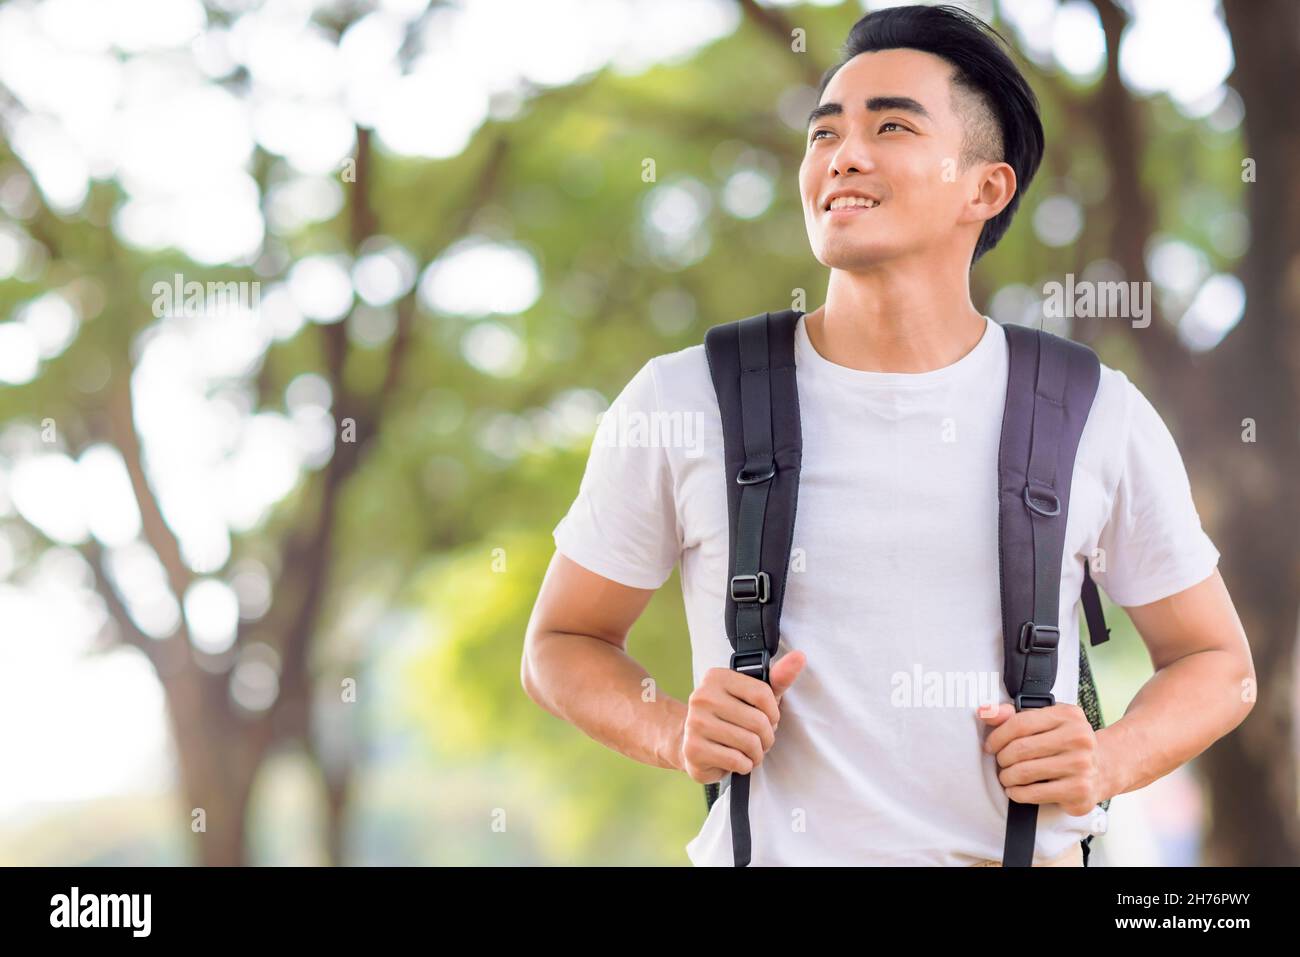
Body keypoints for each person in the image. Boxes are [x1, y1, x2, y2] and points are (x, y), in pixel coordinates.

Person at [520, 4, 1255, 866]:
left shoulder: (1089, 409)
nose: (843, 156)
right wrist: (674, 728)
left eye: (892, 126)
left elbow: (1219, 664)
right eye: (823, 133)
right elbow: (559, 645)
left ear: (986, 188)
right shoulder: (687, 399)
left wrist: (1109, 757)